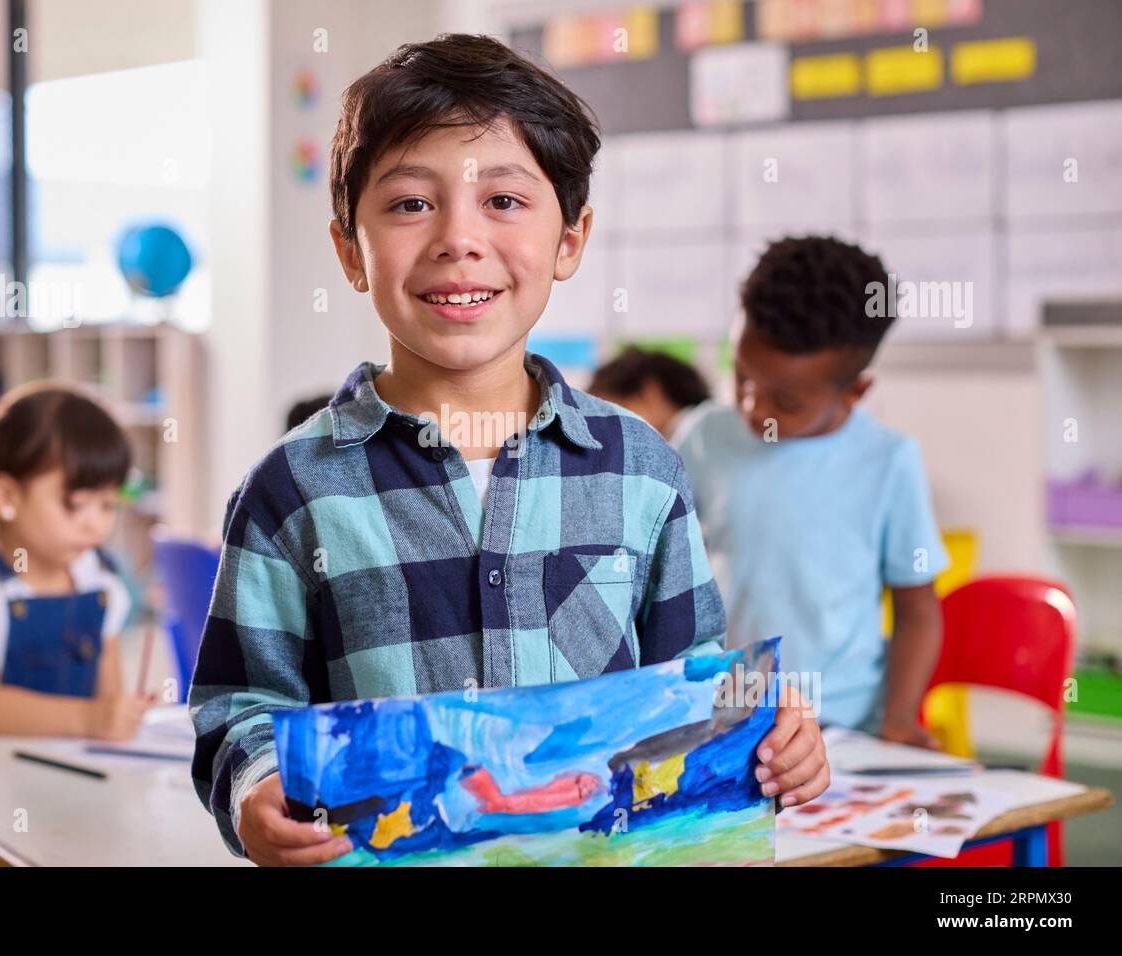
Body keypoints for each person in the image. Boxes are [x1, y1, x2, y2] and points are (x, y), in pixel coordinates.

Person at [190, 35, 828, 866]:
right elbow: (240, 705)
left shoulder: (641, 468)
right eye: (412, 203)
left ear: (570, 238)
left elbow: (695, 677)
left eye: (504, 201)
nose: (460, 238)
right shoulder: (292, 488)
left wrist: (775, 728)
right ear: (351, 249)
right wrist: (255, 787)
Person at [677, 236, 947, 742]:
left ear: (854, 393)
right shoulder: (702, 436)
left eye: (786, 400)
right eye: (740, 377)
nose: (754, 408)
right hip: (723, 716)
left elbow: (917, 610)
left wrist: (898, 719)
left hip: (841, 727)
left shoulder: (888, 462)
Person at [0, 382, 154, 865]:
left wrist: (118, 715)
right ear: (6, 495)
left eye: (107, 505)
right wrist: (92, 719)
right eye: (75, 504)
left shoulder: (98, 578)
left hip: (67, 791)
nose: (97, 525)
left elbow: (107, 695)